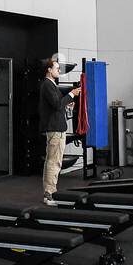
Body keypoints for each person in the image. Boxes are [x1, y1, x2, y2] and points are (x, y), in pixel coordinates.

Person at [38, 57, 80, 206]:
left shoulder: (51, 85)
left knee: (53, 161)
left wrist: (68, 104)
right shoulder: (48, 85)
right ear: (49, 70)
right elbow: (56, 105)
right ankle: (49, 194)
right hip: (55, 129)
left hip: (57, 128)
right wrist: (71, 95)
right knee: (53, 162)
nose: (59, 70)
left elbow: (57, 105)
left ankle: (50, 191)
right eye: (56, 68)